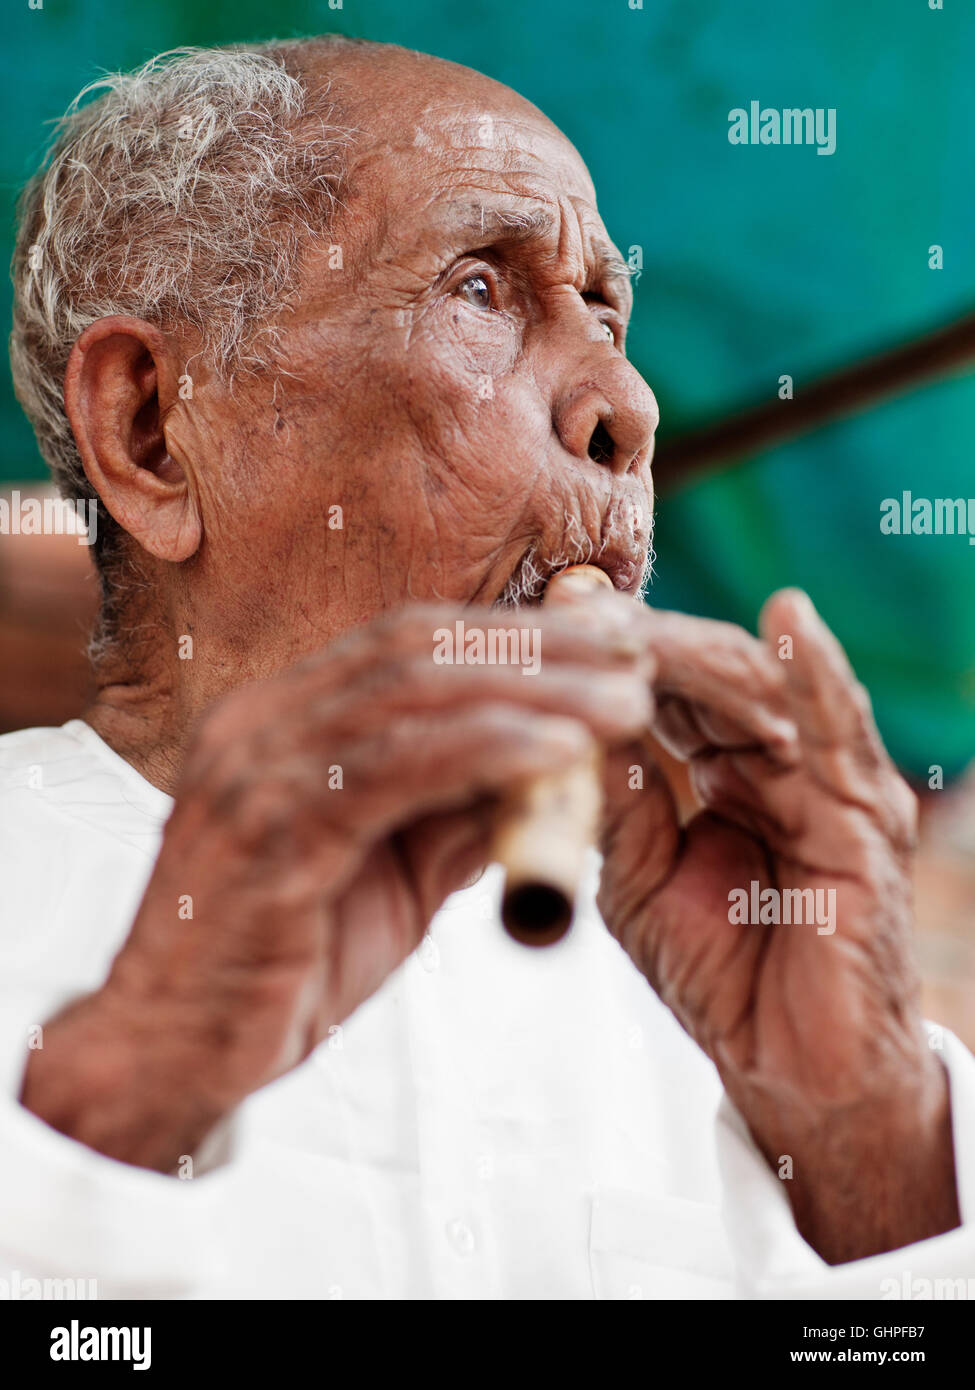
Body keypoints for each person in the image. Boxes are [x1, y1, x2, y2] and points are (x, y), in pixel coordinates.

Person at [3, 36, 972, 1299]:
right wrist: (118, 1105)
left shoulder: (763, 976)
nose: (629, 402)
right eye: (480, 289)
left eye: (608, 311)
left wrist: (866, 1153)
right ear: (152, 427)